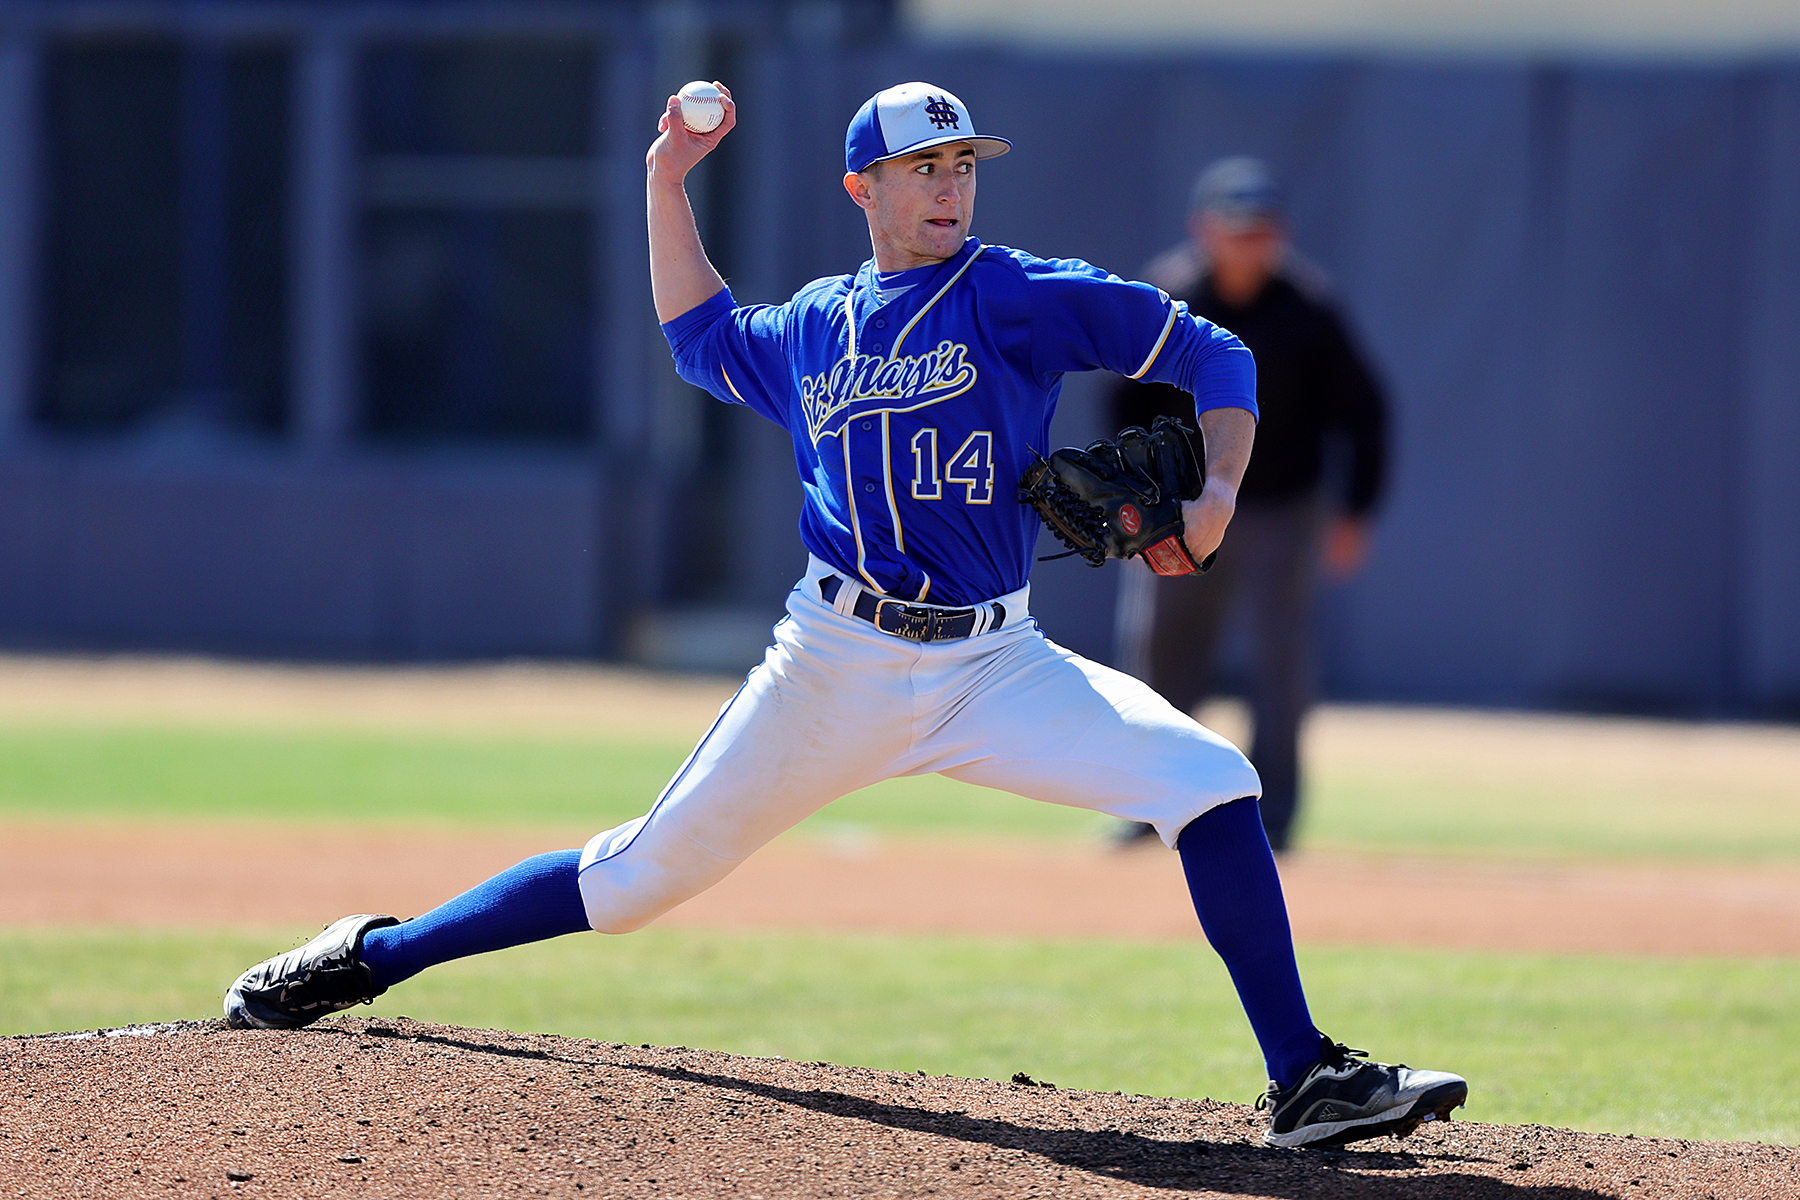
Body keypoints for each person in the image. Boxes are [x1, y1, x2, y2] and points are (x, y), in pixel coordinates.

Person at [222, 82, 1462, 1150]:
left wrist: (1222, 489)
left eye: (963, 165)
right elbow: (699, 330)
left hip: (998, 663)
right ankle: (367, 957)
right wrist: (665, 180)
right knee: (639, 880)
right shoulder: (816, 324)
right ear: (862, 185)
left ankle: (1303, 1079)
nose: (949, 188)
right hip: (835, 662)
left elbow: (1215, 356)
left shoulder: (1020, 296)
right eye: (923, 168)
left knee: (1211, 778)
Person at [1112, 158, 1388, 852]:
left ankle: (1275, 816)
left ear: (1279, 234)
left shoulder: (1309, 309)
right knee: (1162, 656)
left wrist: (1356, 510)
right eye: (1233, 229)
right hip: (1180, 509)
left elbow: (1367, 411)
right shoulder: (1169, 297)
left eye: (1259, 230)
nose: (1246, 243)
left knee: (1280, 664)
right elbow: (1125, 403)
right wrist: (1134, 496)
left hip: (1279, 511)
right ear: (1202, 230)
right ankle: (1153, 807)